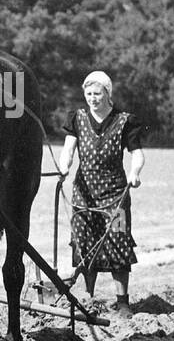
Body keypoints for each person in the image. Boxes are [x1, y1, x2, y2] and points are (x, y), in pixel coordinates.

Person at [56, 71, 145, 314]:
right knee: (85, 244)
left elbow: (137, 153)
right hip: (83, 192)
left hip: (115, 193)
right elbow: (68, 149)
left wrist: (134, 173)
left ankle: (123, 301)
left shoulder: (124, 121)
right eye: (89, 94)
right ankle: (88, 297)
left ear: (108, 95)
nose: (93, 98)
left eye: (97, 94)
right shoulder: (78, 118)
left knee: (118, 242)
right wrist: (64, 168)